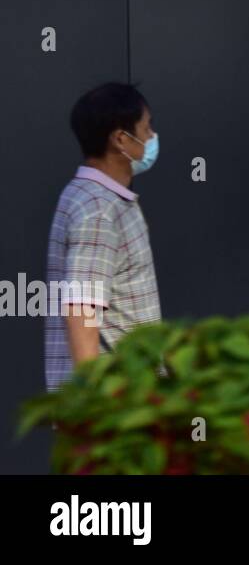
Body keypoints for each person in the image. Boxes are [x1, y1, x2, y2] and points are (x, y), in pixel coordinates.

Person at [45, 83, 162, 390]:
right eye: (146, 129)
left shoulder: (97, 199)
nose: (151, 138)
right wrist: (94, 407)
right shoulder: (97, 209)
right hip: (116, 408)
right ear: (121, 139)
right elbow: (82, 307)